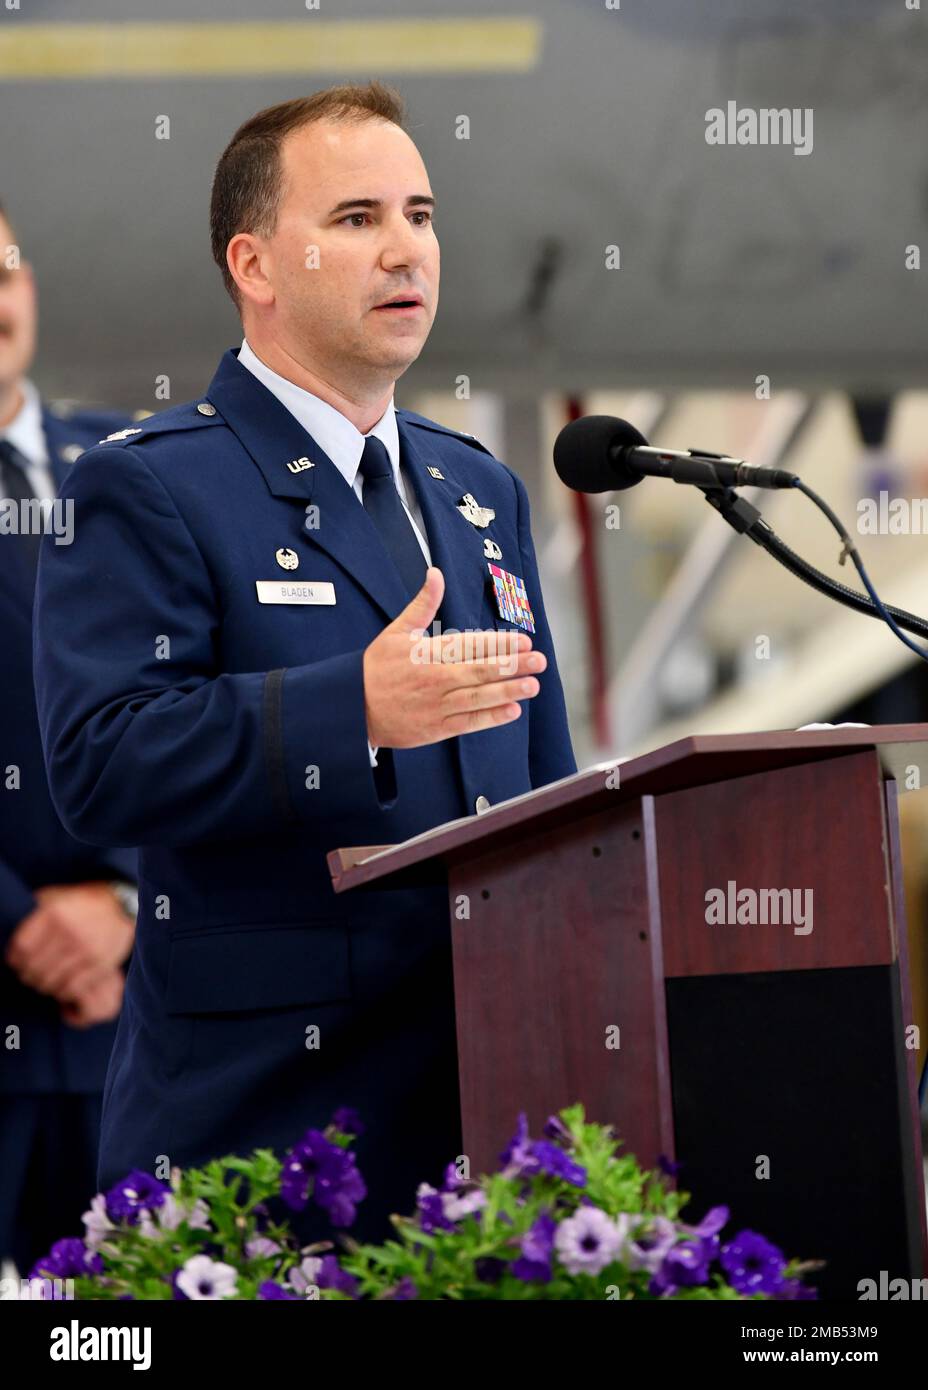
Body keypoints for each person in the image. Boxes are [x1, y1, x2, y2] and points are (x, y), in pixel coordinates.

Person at [33, 82, 576, 1243]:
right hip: (267, 1133)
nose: (405, 249)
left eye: (421, 215)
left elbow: (547, 796)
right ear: (256, 266)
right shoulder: (150, 483)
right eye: (356, 218)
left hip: (488, 1120)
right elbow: (100, 763)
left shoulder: (481, 489)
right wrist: (354, 714)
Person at [0, 202, 137, 1274]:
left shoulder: (132, 468)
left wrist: (126, 901)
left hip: (130, 1022)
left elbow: (203, 694)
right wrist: (21, 925)